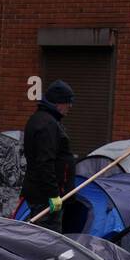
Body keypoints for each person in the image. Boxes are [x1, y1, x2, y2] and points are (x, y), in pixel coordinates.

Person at [22, 80, 76, 230]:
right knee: (47, 237)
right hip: (44, 196)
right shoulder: (47, 124)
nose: (70, 106)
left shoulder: (42, 120)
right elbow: (44, 162)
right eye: (68, 102)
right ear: (58, 103)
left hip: (42, 193)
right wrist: (53, 194)